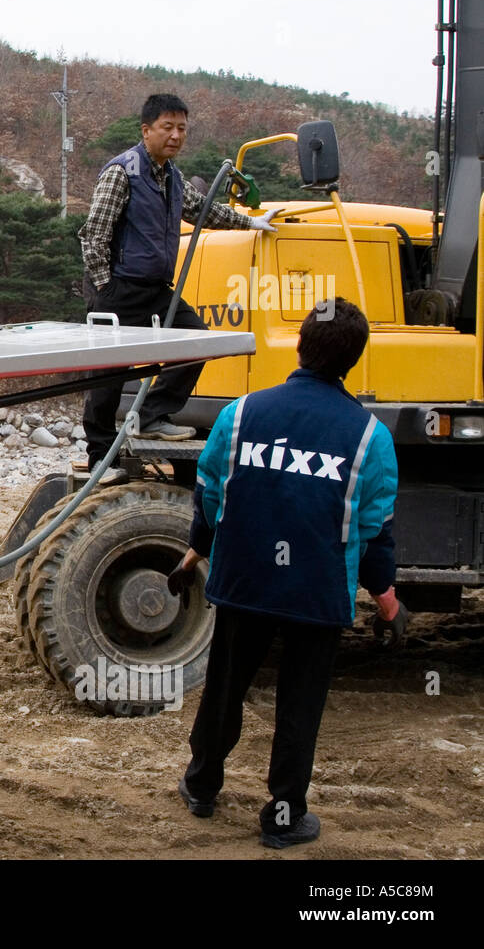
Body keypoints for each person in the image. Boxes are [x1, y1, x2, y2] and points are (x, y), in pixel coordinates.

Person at [167, 298, 406, 849]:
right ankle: (282, 819)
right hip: (316, 594)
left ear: (299, 345)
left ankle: (202, 788)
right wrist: (388, 602)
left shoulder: (242, 414)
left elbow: (209, 498)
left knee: (224, 690)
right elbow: (374, 533)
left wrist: (192, 556)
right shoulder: (371, 439)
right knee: (300, 707)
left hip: (247, 583)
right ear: (355, 359)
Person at [78, 93, 278, 485]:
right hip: (119, 288)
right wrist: (105, 287)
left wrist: (251, 223)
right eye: (167, 127)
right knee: (108, 373)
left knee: (196, 340)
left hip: (154, 287)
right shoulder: (123, 172)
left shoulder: (171, 177)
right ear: (146, 130)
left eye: (182, 128)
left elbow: (203, 210)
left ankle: (153, 415)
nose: (175, 136)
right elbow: (93, 235)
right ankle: (99, 460)